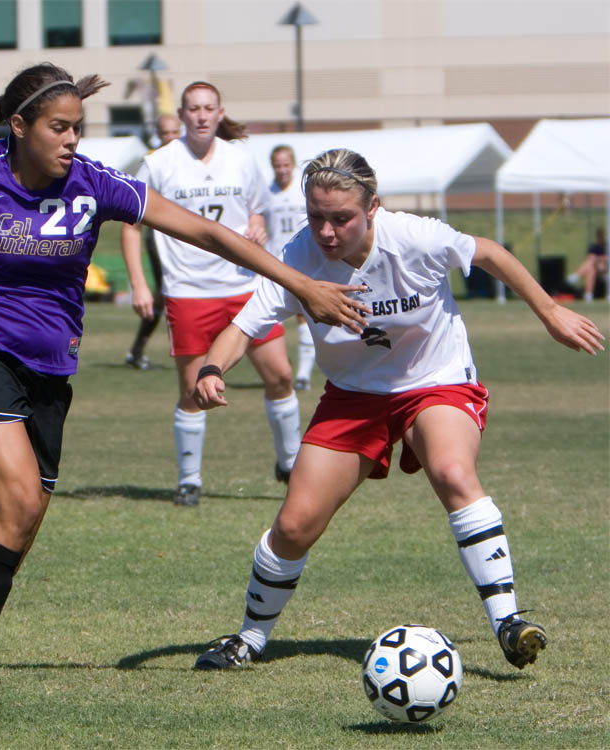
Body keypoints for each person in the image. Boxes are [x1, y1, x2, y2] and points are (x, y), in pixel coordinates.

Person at [0, 64, 366, 720]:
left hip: (50, 378)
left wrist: (299, 284)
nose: (72, 139)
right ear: (19, 127)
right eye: (58, 127)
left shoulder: (95, 184)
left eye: (78, 126)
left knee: (2, 537)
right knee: (19, 502)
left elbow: (211, 233)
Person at [191, 148, 604, 672]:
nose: (327, 231)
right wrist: (211, 369)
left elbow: (491, 254)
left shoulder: (414, 236)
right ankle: (248, 639)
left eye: (341, 218)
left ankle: (509, 621)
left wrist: (550, 312)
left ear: (373, 208)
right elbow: (243, 325)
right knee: (295, 526)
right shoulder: (297, 256)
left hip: (436, 382)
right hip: (352, 394)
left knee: (454, 472)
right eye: (316, 216)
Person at [121, 82, 308, 506]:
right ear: (182, 115)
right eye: (193, 109)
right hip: (189, 292)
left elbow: (256, 207)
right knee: (193, 391)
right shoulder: (159, 164)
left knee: (279, 375)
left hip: (244, 287)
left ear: (220, 112)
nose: (202, 116)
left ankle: (290, 463)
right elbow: (131, 224)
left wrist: (257, 225)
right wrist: (138, 283)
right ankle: (190, 480)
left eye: (209, 108)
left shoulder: (241, 160)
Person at [124, 112, 182, 370]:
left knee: (164, 296)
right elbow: (135, 212)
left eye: (173, 132)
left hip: (188, 240)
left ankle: (137, 351)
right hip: (161, 239)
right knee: (168, 291)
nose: (170, 138)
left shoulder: (191, 160)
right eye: (165, 133)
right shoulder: (154, 164)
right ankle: (183, 349)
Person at [265, 144, 316, 391]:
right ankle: (278, 369)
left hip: (301, 259)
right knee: (272, 315)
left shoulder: (302, 191)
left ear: (292, 165)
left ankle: (304, 374)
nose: (282, 169)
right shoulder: (267, 193)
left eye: (286, 165)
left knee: (303, 315)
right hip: (274, 261)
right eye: (277, 165)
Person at [567, 227, 607, 302]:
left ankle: (576, 275)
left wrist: (598, 258)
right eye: (599, 235)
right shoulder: (595, 247)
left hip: (604, 268)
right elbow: (589, 257)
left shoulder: (607, 246)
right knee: (591, 270)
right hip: (596, 267)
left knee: (592, 261)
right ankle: (588, 296)